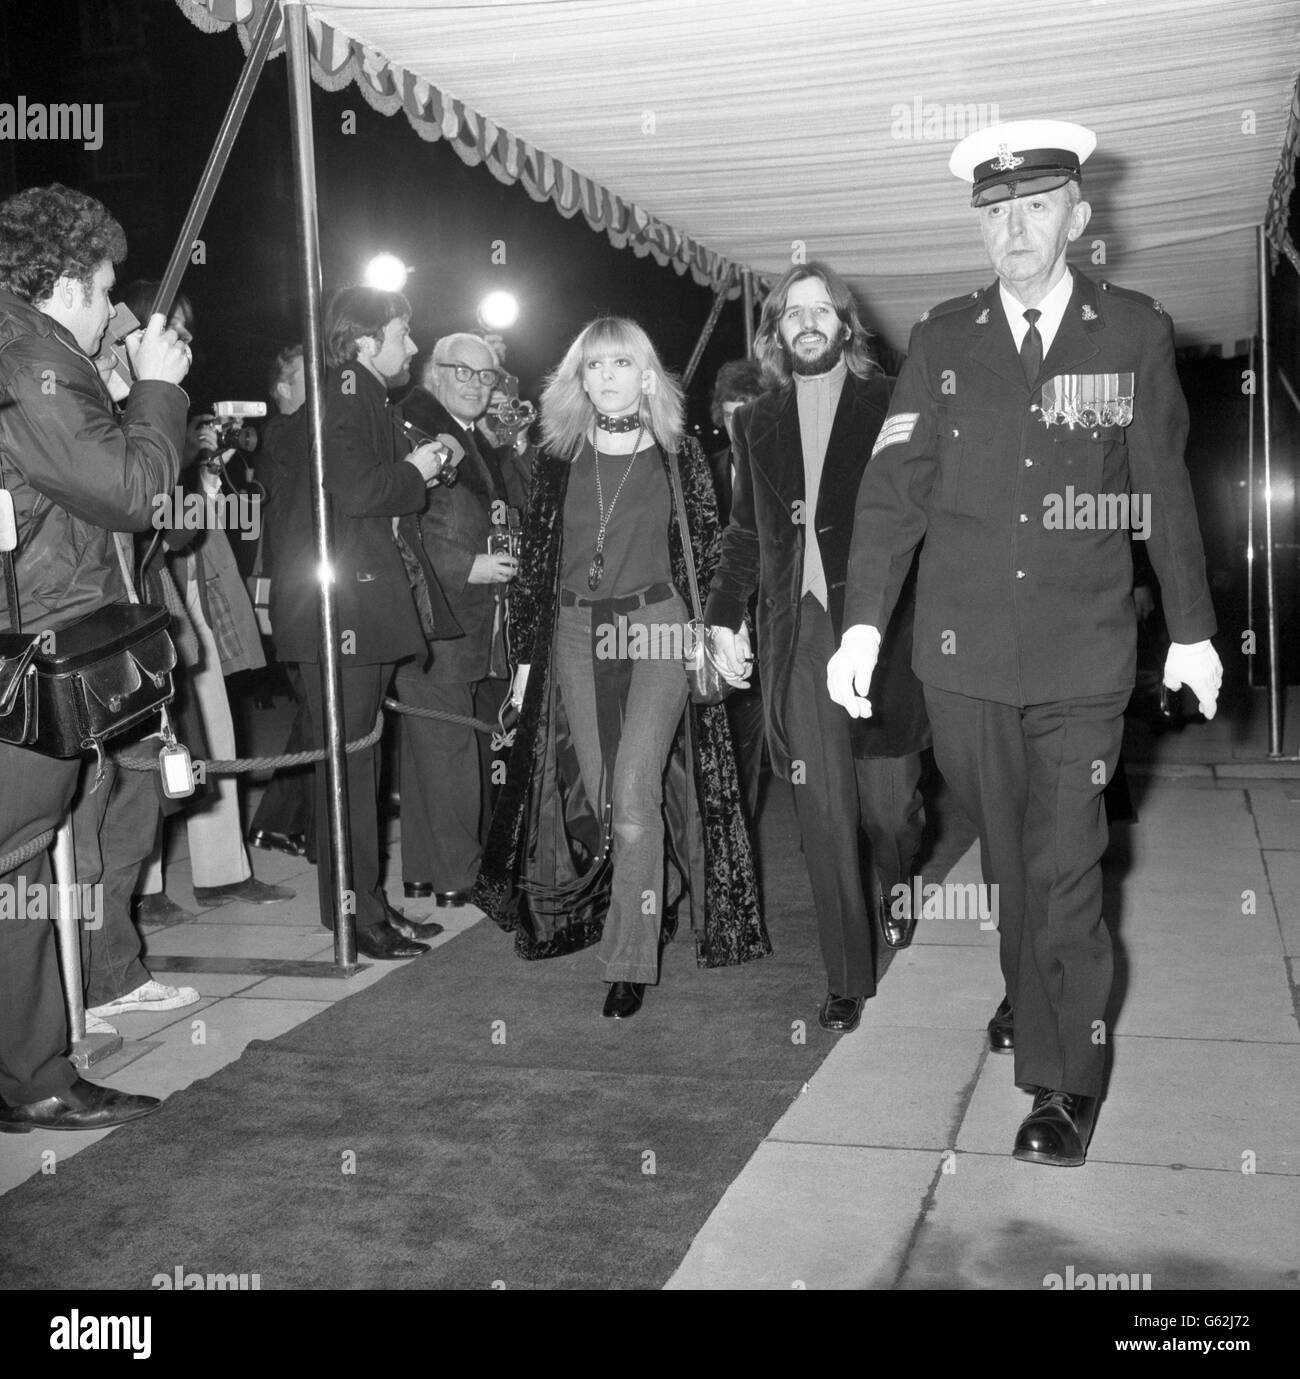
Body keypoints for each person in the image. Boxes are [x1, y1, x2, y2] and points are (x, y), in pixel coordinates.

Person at [827, 121, 1223, 1167]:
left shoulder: (1130, 330)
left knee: (1066, 870)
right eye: (995, 212)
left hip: (1082, 654)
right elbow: (895, 487)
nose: (1013, 226)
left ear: (1078, 220)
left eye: (1035, 206)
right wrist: (863, 619)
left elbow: (1163, 487)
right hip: (961, 661)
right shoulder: (943, 337)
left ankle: (1061, 1080)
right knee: (1010, 866)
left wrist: (1189, 630)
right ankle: (1033, 992)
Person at [474, 317, 769, 1019]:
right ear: (580, 377)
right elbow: (535, 571)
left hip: (658, 626)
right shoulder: (555, 455)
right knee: (605, 791)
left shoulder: (679, 453)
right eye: (594, 365)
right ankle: (655, 886)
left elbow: (713, 545)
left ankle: (629, 960)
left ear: (646, 374)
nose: (606, 377)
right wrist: (523, 666)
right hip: (575, 627)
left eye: (621, 363)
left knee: (635, 792)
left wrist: (722, 627)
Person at [0, 182, 189, 1131]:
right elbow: (131, 492)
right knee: (18, 858)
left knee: (22, 867)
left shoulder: (31, 356)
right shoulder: (32, 357)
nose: (117, 310)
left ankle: (27, 1068)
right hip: (26, 656)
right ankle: (33, 1072)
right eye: (109, 287)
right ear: (71, 278)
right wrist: (157, 386)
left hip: (28, 630)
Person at [705, 264, 929, 1036]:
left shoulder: (892, 401)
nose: (806, 321)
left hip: (878, 631)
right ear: (776, 331)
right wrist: (721, 619)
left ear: (844, 322)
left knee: (889, 810)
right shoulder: (755, 420)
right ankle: (846, 976)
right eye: (790, 312)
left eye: (819, 309)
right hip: (796, 635)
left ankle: (899, 880)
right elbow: (743, 534)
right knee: (823, 812)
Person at [270, 285, 456, 960]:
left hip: (348, 607)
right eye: (402, 333)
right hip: (340, 609)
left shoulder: (352, 392)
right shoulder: (348, 388)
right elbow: (357, 490)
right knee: (349, 768)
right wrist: (417, 468)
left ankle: (365, 905)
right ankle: (356, 914)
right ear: (365, 340)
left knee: (358, 763)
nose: (411, 344)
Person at [123, 283, 292, 915]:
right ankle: (141, 885)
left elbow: (197, 522)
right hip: (138, 600)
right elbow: (146, 513)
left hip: (188, 592)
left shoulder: (166, 403)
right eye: (173, 328)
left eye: (187, 330)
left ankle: (222, 870)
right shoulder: (118, 404)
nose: (184, 342)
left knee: (213, 731)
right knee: (146, 743)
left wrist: (207, 468)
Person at [394, 335, 527, 906]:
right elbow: (398, 521)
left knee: (433, 746)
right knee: (448, 747)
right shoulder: (413, 429)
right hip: (436, 614)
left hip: (461, 616)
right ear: (433, 373)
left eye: (487, 375)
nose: (476, 383)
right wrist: (464, 565)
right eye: (462, 372)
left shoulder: (463, 434)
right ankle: (463, 876)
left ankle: (428, 871)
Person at [246, 344, 316, 861]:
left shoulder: (301, 436)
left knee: (315, 710)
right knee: (316, 707)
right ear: (281, 388)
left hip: (309, 588)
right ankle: (277, 819)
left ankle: (280, 821)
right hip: (290, 591)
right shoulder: (280, 437)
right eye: (301, 373)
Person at [706, 358, 769, 822]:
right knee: (737, 754)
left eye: (749, 409)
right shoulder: (704, 475)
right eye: (731, 414)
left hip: (786, 631)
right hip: (728, 636)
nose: (740, 422)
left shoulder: (791, 469)